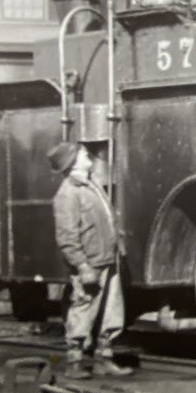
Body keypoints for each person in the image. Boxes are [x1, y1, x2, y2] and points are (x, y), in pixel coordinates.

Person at [47, 141, 132, 379]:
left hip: (107, 260)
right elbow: (67, 238)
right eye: (84, 155)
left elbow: (109, 221)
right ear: (72, 163)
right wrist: (82, 266)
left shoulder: (92, 185)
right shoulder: (67, 194)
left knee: (111, 312)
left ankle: (104, 358)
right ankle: (74, 362)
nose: (90, 158)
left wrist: (119, 252)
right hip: (90, 264)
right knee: (83, 308)